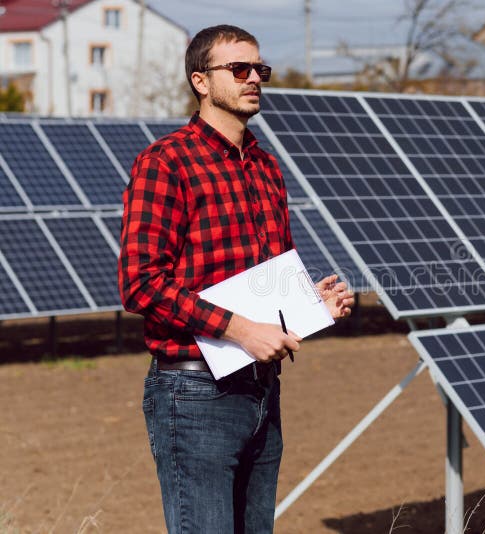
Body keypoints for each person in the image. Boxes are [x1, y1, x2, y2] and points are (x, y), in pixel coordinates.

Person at [118, 24, 353, 534]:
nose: (254, 79)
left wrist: (311, 306)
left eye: (260, 70)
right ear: (201, 82)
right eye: (239, 69)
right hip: (195, 392)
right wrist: (239, 329)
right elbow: (140, 282)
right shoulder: (166, 162)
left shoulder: (266, 166)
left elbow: (265, 280)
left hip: (263, 390)